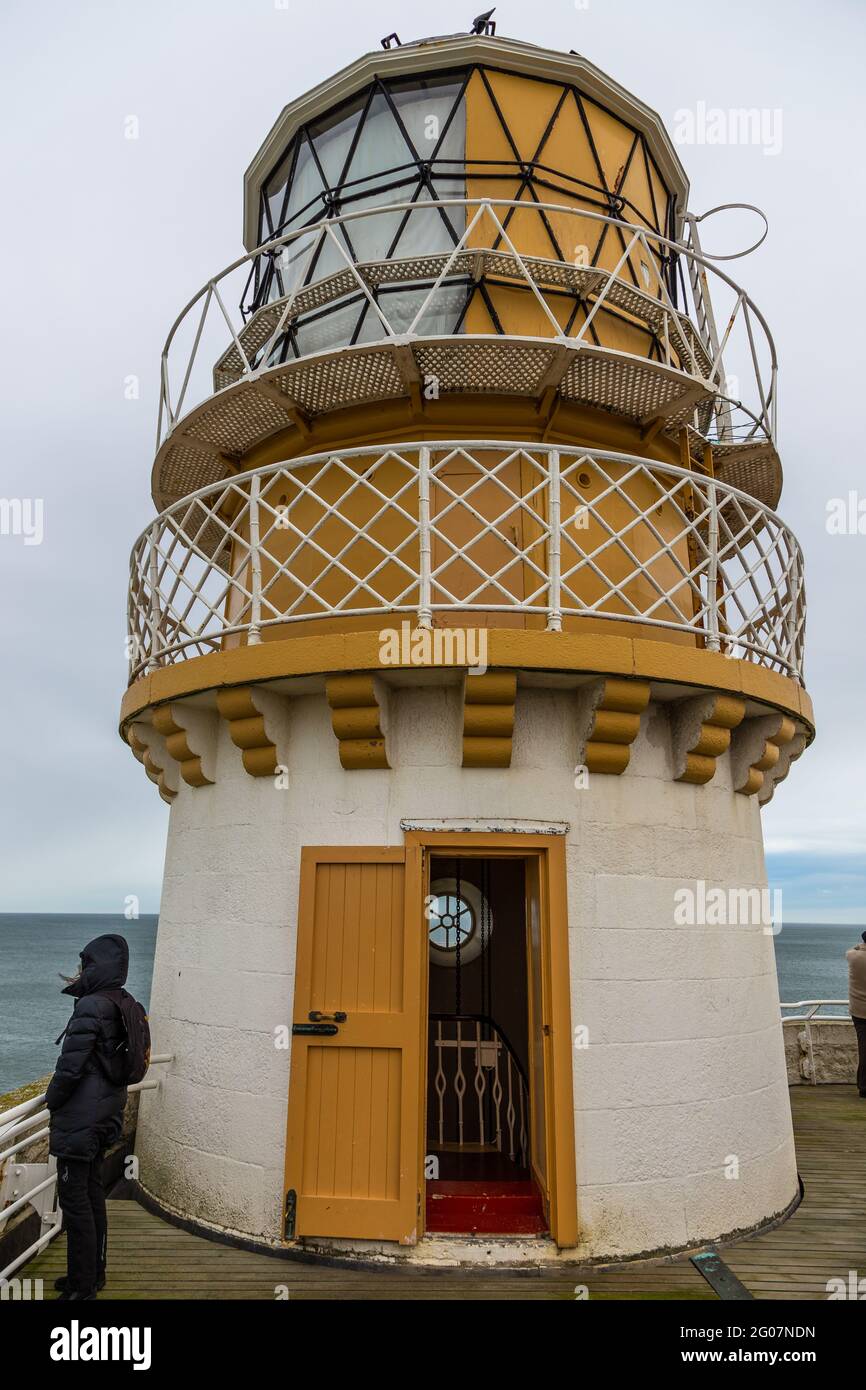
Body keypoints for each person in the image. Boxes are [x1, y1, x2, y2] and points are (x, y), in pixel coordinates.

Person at [45, 934, 130, 1300]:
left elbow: (70, 1067)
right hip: (106, 1113)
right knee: (93, 1195)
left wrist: (52, 1100)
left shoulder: (91, 1006)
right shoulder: (122, 1002)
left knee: (75, 1202)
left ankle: (82, 1289)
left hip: (81, 1121)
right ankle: (93, 1275)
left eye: (85, 965)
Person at [846, 929, 866, 1099]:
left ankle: (863, 1086)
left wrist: (861, 946)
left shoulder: (853, 956)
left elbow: (852, 949)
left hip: (859, 1011)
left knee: (864, 1049)